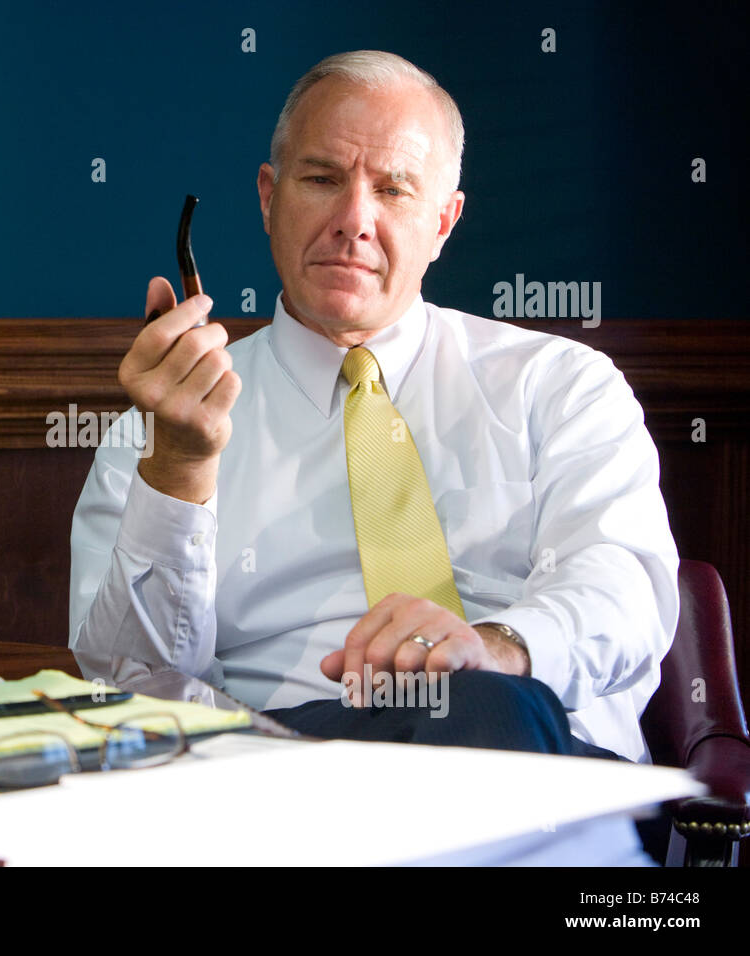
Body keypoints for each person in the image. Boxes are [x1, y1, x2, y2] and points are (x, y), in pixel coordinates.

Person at [68, 50, 679, 764]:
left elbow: (624, 589)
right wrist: (179, 469)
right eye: (323, 179)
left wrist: (494, 648)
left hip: (531, 758)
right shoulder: (165, 424)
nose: (353, 219)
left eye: (393, 190)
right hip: (282, 773)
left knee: (477, 704)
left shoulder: (562, 384)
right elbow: (125, 687)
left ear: (444, 223)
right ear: (269, 198)